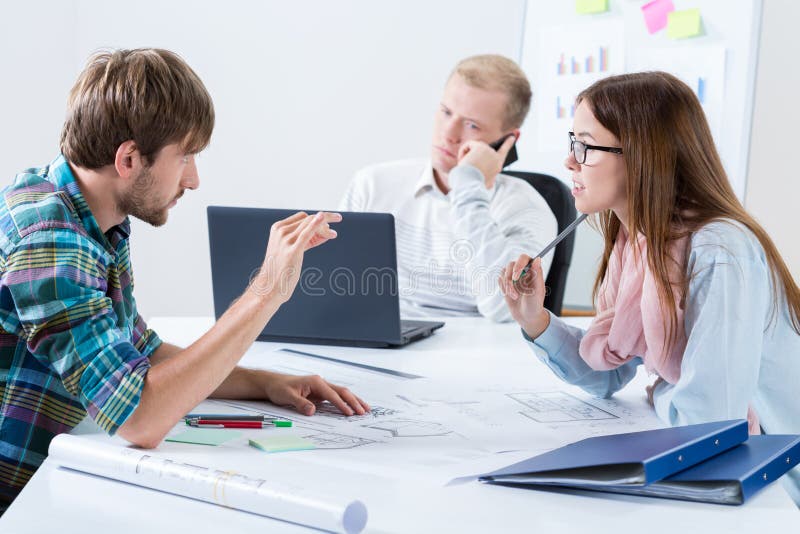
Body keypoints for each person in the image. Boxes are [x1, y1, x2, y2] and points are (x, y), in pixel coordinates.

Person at [0, 48, 369, 512]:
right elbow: (139, 417)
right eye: (186, 156)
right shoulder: (52, 241)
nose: (193, 180)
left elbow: (140, 354)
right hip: (19, 502)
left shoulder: (91, 215)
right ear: (129, 159)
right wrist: (266, 291)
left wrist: (265, 382)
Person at [499, 71, 800, 504]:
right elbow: (609, 373)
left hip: (780, 488)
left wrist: (660, 388)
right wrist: (535, 319)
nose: (570, 161)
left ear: (642, 156)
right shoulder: (635, 242)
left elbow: (711, 421)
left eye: (585, 146)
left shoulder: (720, 248)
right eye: (572, 142)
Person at [340, 54, 557, 322]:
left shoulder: (526, 208)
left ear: (508, 140)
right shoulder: (372, 185)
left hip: (472, 357)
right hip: (376, 345)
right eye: (446, 112)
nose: (449, 134)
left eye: (471, 125)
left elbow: (503, 310)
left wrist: (467, 185)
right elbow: (337, 289)